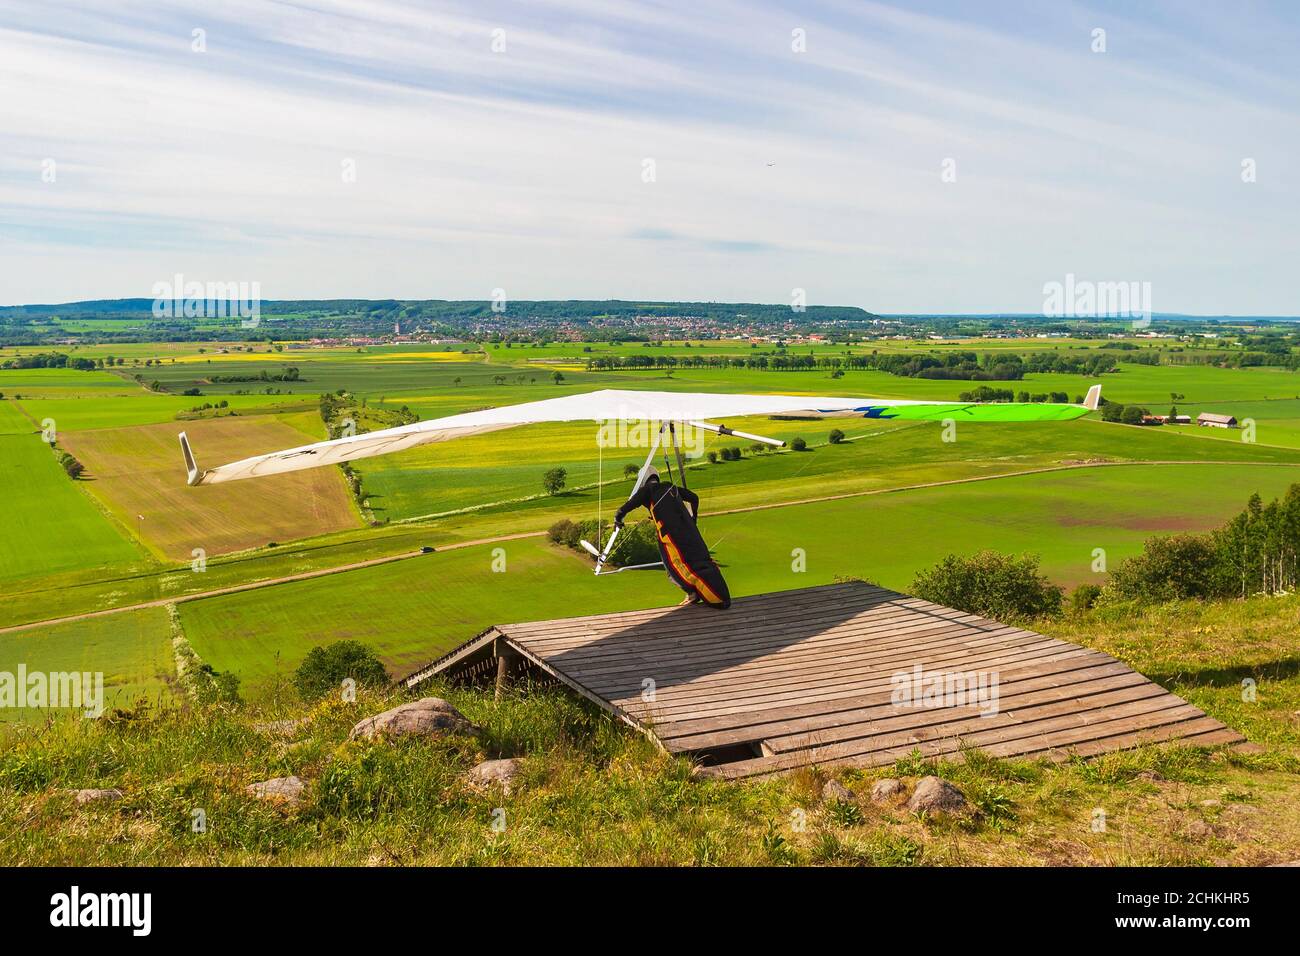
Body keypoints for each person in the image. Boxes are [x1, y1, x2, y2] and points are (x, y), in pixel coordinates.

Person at [613, 465, 731, 609]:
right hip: (689, 530)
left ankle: (694, 595)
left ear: (643, 481)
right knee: (700, 559)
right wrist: (693, 518)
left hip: (671, 536)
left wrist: (618, 521)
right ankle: (703, 594)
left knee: (672, 569)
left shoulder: (647, 491)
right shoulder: (670, 486)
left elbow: (622, 510)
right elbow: (694, 498)